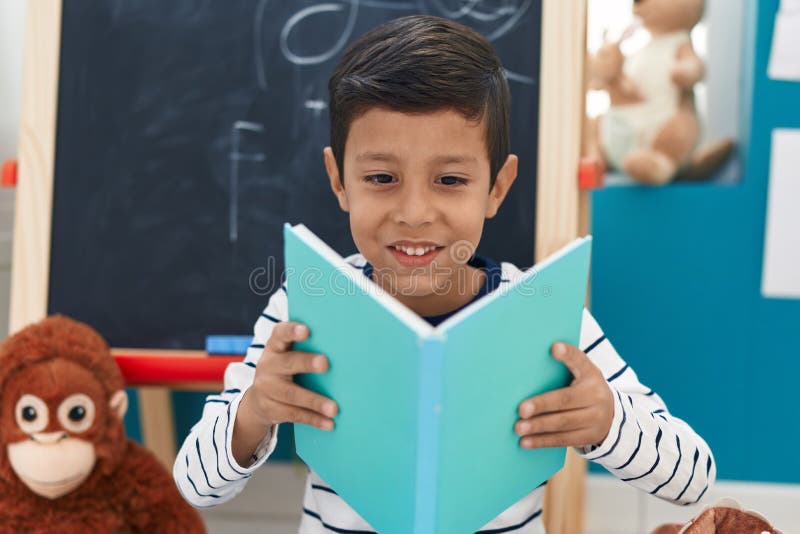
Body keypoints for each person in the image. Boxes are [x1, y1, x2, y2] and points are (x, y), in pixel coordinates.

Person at [174, 15, 715, 533]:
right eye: (382, 177)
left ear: (497, 188)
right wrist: (255, 412)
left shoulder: (546, 314)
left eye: (451, 180)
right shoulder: (304, 307)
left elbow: (694, 480)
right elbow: (194, 485)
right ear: (339, 181)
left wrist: (607, 423)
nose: (414, 211)